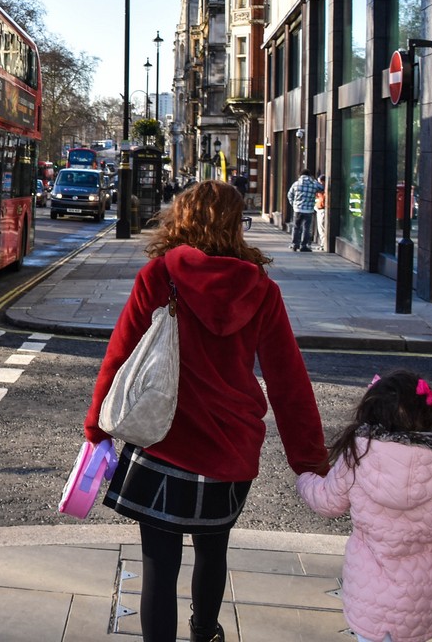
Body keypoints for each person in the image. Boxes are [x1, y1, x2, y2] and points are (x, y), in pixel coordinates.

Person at [84, 180, 327, 642]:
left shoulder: (159, 276)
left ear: (182, 219)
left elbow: (119, 356)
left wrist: (97, 429)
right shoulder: (261, 290)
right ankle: (204, 633)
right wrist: (310, 461)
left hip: (162, 441)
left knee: (159, 564)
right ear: (235, 226)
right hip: (229, 449)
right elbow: (288, 381)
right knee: (213, 551)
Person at [298, 369, 432, 642]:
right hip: (422, 600)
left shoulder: (356, 456)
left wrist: (304, 478)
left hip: (369, 596)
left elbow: (327, 501)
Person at [287, 169, 322, 251]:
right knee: (306, 228)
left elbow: (289, 195)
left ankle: (295, 244)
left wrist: (294, 204)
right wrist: (314, 180)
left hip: (297, 209)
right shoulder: (313, 184)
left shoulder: (296, 184)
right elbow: (322, 188)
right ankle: (304, 245)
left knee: (296, 227)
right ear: (309, 175)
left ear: (300, 175)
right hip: (308, 210)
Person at [313, 174, 328, 250]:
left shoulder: (324, 191)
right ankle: (322, 244)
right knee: (321, 229)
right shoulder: (321, 190)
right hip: (319, 209)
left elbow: (322, 200)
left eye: (320, 182)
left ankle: (323, 244)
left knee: (322, 228)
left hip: (322, 210)